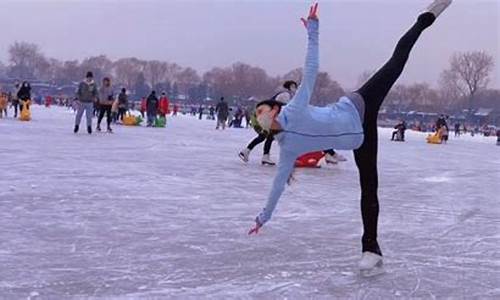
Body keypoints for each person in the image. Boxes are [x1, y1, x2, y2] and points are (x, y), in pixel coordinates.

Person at [247, 1, 452, 275]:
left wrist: (313, 32)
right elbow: (277, 187)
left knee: (396, 61)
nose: (263, 112)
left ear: (274, 109)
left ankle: (426, 16)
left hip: (359, 105)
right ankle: (371, 250)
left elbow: (310, 70)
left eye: (263, 108)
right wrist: (263, 218)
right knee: (369, 187)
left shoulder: (294, 107)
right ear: (263, 124)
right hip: (360, 139)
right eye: (258, 113)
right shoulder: (287, 149)